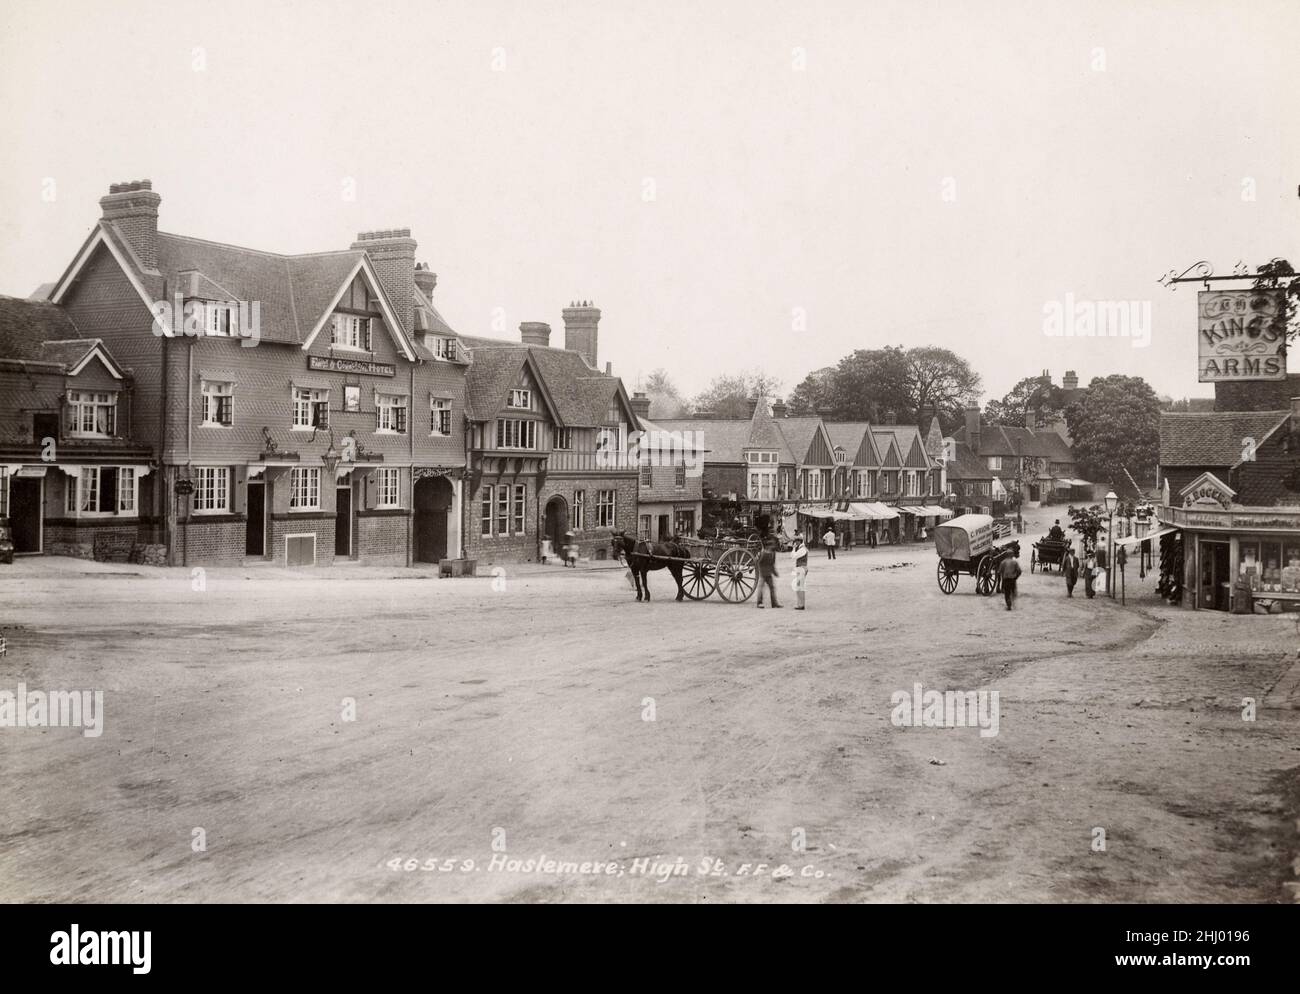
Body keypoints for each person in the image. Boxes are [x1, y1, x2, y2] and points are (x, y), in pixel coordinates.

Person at [757, 531, 781, 608]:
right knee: (762, 588)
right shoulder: (763, 553)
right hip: (764, 573)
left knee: (772, 588)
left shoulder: (772, 553)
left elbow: (772, 564)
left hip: (768, 573)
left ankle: (774, 603)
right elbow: (758, 562)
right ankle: (759, 602)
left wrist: (775, 572)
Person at [790, 533, 808, 609]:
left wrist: (793, 549)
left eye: (796, 542)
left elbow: (793, 556)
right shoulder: (802, 549)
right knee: (800, 587)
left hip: (801, 569)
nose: (795, 543)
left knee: (799, 587)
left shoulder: (802, 549)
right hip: (801, 568)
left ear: (799, 542)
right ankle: (801, 604)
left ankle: (801, 605)